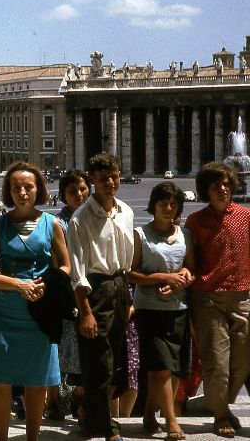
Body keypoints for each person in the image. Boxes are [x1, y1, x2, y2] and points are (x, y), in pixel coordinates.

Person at [0, 162, 70, 441]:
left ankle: (33, 437)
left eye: (28, 186)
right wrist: (19, 284)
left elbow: (66, 266)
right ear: (8, 191)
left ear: (38, 189)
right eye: (16, 187)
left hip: (40, 310)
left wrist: (46, 284)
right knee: (3, 380)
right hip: (6, 310)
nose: (22, 192)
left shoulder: (52, 223)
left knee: (37, 379)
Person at [67, 153, 134, 441]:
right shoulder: (80, 219)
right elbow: (78, 273)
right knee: (99, 363)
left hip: (120, 287)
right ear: (92, 180)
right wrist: (86, 312)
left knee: (115, 361)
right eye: (103, 177)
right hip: (95, 290)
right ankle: (107, 428)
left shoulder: (127, 212)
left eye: (114, 176)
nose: (110, 182)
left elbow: (128, 260)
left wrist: (127, 297)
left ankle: (87, 414)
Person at [183, 162, 250, 438]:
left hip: (242, 296)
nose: (222, 189)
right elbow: (189, 261)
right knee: (216, 361)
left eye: (225, 184)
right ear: (205, 191)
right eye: (215, 186)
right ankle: (220, 414)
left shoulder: (247, 217)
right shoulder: (195, 221)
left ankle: (216, 401)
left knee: (243, 360)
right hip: (208, 298)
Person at [128, 182, 192, 440]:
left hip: (178, 308)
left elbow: (190, 269)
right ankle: (172, 422)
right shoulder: (140, 235)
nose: (168, 208)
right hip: (149, 309)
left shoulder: (185, 234)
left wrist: (184, 277)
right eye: (163, 203)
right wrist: (162, 278)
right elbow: (130, 274)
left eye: (173, 204)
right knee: (161, 367)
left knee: (173, 368)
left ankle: (148, 414)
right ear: (153, 205)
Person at [46, 169, 89, 421]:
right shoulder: (57, 223)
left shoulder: (93, 218)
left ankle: (80, 401)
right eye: (73, 191)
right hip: (63, 294)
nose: (80, 194)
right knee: (58, 351)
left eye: (83, 189)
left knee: (83, 353)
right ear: (63, 195)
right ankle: (53, 403)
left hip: (87, 291)